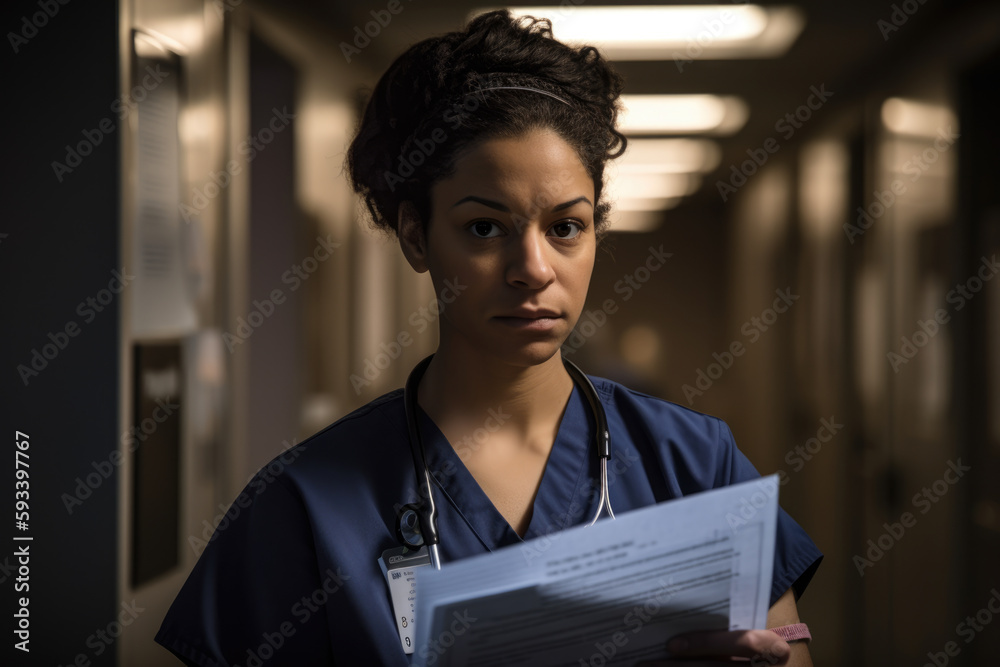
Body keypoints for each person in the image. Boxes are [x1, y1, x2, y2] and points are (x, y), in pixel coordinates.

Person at [154, 9, 822, 666]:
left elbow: (786, 654)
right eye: (484, 228)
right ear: (416, 235)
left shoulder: (695, 464)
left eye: (565, 227)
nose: (533, 268)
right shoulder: (305, 505)